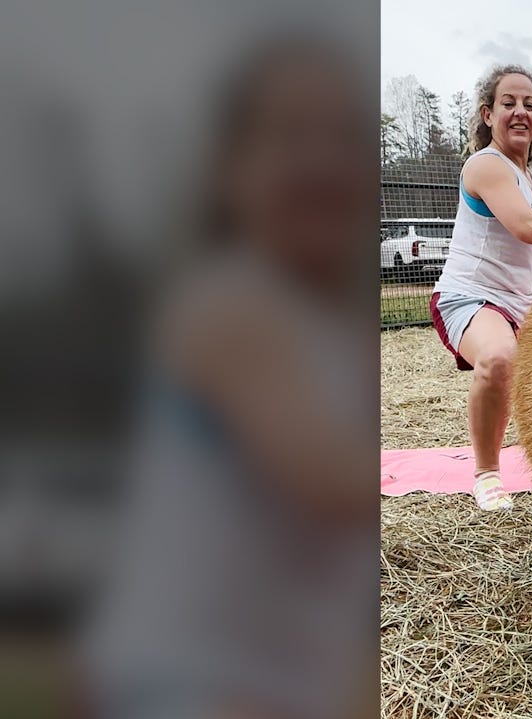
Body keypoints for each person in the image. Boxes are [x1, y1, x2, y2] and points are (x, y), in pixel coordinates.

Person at [81, 35, 378, 719]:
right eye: (289, 134)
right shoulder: (231, 305)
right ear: (228, 169)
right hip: (181, 681)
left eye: (342, 136)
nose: (322, 159)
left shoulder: (326, 324)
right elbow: (329, 481)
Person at [430, 64, 532, 511]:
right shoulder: (486, 166)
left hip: (521, 309)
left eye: (529, 104)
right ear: (487, 114)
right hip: (468, 298)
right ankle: (485, 474)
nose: (520, 111)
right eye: (508, 103)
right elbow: (530, 228)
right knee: (499, 359)